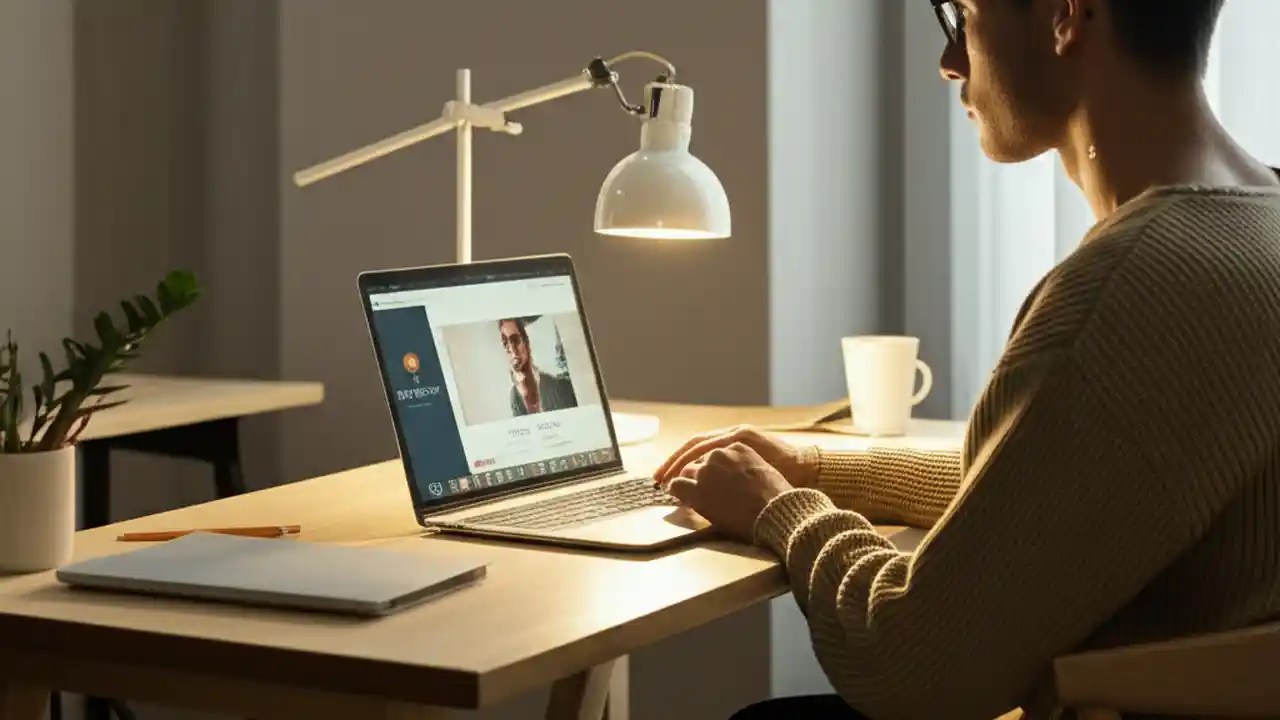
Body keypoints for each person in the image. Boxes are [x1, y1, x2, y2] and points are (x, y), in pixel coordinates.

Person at [655, 1, 1280, 718]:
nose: (950, 61)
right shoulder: (1258, 217)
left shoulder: (1143, 281)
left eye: (965, 15)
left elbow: (912, 665)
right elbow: (1052, 484)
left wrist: (778, 510)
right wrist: (818, 468)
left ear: (1066, 15)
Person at [498, 318, 577, 416]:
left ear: (526, 342)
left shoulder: (562, 386)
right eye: (506, 343)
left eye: (516, 340)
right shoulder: (515, 395)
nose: (512, 350)